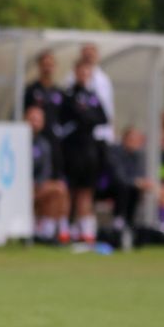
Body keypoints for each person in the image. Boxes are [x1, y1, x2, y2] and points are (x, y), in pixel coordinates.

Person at [60, 59, 110, 244]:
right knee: (69, 189)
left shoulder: (92, 95)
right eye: (80, 71)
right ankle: (65, 228)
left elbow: (102, 118)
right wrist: (85, 116)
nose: (83, 74)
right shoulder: (68, 94)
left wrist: (86, 116)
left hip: (89, 148)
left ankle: (85, 230)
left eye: (87, 71)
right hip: (72, 148)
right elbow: (69, 115)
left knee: (86, 191)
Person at [100, 126, 153, 236]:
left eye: (137, 140)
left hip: (128, 189)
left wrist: (142, 183)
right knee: (124, 187)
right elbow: (118, 176)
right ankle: (118, 221)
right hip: (106, 188)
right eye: (132, 139)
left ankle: (129, 223)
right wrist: (135, 182)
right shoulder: (114, 151)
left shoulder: (137, 155)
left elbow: (139, 175)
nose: (135, 143)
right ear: (124, 138)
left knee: (135, 189)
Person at [22, 50, 67, 182]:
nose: (47, 68)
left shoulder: (59, 92)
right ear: (39, 66)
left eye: (50, 64)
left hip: (55, 142)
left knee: (55, 178)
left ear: (55, 67)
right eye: (44, 64)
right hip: (35, 140)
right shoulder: (31, 90)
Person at [27, 105, 69, 243]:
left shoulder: (43, 144)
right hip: (18, 187)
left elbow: (46, 171)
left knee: (59, 189)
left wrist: (38, 184)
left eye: (38, 120)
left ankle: (48, 232)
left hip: (36, 185)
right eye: (32, 119)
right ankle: (38, 231)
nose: (35, 123)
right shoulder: (16, 141)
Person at [74, 43, 116, 143]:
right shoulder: (71, 79)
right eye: (86, 55)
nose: (88, 58)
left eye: (91, 55)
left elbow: (109, 107)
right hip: (80, 134)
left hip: (102, 132)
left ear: (96, 56)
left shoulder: (104, 80)